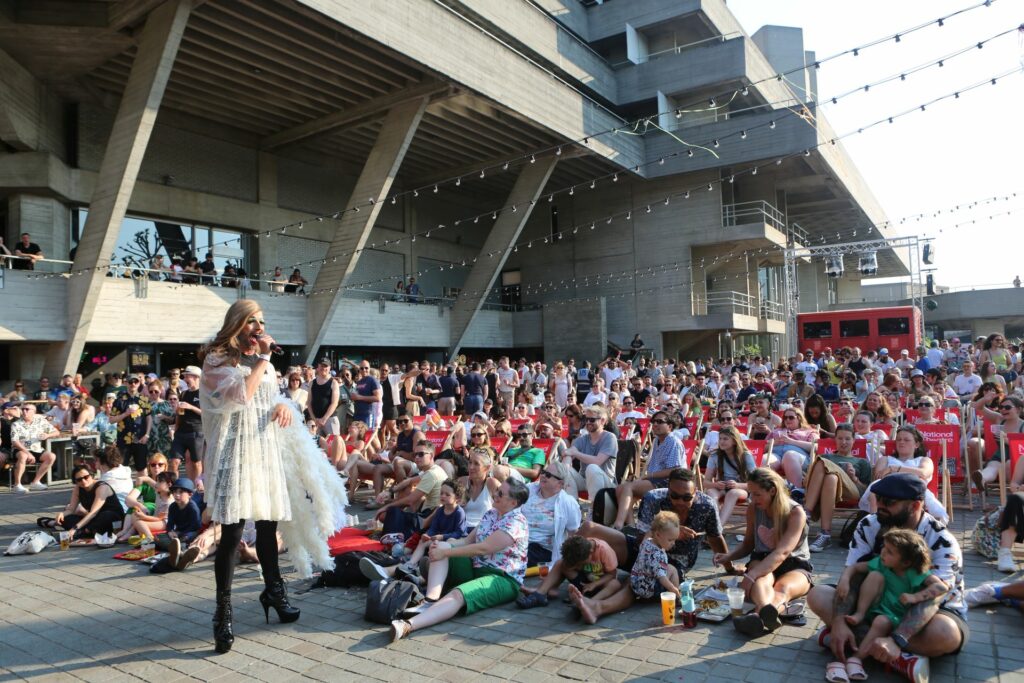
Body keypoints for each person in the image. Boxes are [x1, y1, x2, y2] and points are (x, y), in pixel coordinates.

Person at [199, 299, 347, 653]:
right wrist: (264, 358)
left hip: (264, 451)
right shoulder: (215, 360)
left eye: (262, 322)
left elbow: (271, 398)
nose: (259, 329)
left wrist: (284, 405)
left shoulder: (262, 364)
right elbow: (240, 395)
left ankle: (274, 590)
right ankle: (223, 611)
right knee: (232, 533)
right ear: (238, 324)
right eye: (253, 322)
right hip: (234, 455)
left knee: (268, 526)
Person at [808, 473, 967, 683]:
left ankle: (856, 643)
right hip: (876, 604)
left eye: (889, 502)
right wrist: (838, 621)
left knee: (946, 634)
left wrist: (897, 640)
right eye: (878, 499)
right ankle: (897, 659)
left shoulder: (942, 541)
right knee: (817, 595)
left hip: (929, 611)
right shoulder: (868, 524)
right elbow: (854, 575)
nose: (880, 506)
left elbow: (933, 598)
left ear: (915, 506)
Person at [387, 479, 530, 643]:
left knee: (458, 594)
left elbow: (483, 548)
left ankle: (407, 626)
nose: (495, 494)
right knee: (440, 546)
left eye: (500, 493)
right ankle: (430, 600)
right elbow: (467, 541)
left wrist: (446, 552)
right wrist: (438, 544)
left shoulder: (516, 522)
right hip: (476, 567)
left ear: (513, 502)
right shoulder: (491, 514)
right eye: (497, 490)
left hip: (502, 578)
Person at [831, 529, 949, 682]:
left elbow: (942, 588)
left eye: (890, 552)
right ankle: (859, 614)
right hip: (875, 608)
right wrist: (845, 580)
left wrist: (916, 597)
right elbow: (855, 567)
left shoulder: (914, 573)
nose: (883, 553)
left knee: (881, 621)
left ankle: (856, 658)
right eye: (884, 548)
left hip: (894, 618)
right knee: (874, 575)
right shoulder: (882, 564)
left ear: (906, 562)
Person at [712, 468, 812, 637]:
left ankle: (757, 616)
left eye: (757, 494)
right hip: (762, 558)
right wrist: (729, 556)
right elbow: (748, 544)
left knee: (783, 589)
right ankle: (765, 616)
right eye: (750, 493)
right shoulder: (753, 509)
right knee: (762, 581)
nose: (752, 498)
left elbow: (783, 551)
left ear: (772, 490)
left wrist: (750, 576)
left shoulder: (795, 512)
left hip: (794, 563)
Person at [804, 423, 872, 553]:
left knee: (822, 462)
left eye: (847, 439)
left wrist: (854, 478)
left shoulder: (861, 462)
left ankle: (806, 513)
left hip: (851, 491)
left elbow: (865, 492)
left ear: (854, 440)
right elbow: (808, 480)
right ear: (835, 439)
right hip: (828, 489)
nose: (843, 442)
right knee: (831, 477)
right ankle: (825, 534)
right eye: (840, 438)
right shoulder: (826, 456)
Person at [610, 411, 685, 529]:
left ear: (670, 426)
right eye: (653, 422)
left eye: (660, 422)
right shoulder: (657, 441)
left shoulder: (672, 441)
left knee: (628, 487)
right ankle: (631, 527)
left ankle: (618, 525)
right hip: (656, 480)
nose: (655, 424)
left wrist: (648, 476)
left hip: (670, 482)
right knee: (621, 489)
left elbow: (674, 469)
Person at [516, 534, 620, 609]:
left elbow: (612, 574)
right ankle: (541, 593)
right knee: (560, 563)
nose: (579, 566)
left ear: (591, 552)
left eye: (581, 564)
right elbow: (567, 566)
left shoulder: (604, 550)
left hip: (600, 585)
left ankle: (590, 603)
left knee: (615, 584)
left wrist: (594, 584)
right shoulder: (577, 548)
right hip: (584, 584)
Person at [518, 460, 581, 566]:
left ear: (560, 483)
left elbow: (573, 533)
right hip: (517, 541)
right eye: (543, 472)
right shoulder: (528, 490)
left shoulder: (568, 502)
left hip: (542, 549)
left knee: (512, 557)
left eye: (548, 475)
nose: (543, 476)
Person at [705, 425, 758, 525]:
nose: (721, 441)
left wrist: (737, 485)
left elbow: (755, 483)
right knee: (711, 492)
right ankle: (715, 525)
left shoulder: (745, 456)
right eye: (720, 438)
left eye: (725, 439)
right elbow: (706, 482)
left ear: (734, 441)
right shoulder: (714, 456)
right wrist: (716, 485)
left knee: (732, 493)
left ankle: (718, 527)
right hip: (721, 488)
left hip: (741, 489)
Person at [564, 405, 618, 500]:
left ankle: (593, 509)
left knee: (592, 468)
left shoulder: (610, 437)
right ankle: (572, 507)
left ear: (602, 421)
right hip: (584, 480)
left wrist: (575, 453)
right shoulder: (582, 439)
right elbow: (568, 453)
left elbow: (597, 461)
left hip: (605, 482)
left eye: (592, 420)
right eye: (586, 419)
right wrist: (566, 466)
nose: (588, 422)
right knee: (563, 469)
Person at [56, 465, 125, 537]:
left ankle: (86, 532)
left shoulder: (102, 487)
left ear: (91, 475)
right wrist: (62, 514)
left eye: (86, 477)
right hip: (94, 518)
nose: (83, 481)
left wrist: (75, 528)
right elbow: (71, 509)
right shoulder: (78, 489)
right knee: (64, 519)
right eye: (79, 480)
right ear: (75, 481)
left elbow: (93, 512)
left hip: (112, 518)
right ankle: (88, 531)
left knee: (105, 515)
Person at [10, 402, 59, 492]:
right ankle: (17, 485)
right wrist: (27, 453)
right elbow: (14, 441)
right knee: (23, 456)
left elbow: (56, 432)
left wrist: (47, 435)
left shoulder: (41, 422)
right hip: (20, 449)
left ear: (34, 412)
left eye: (27, 409)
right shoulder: (16, 424)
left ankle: (35, 482)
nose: (24, 411)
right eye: (23, 409)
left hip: (36, 449)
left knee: (51, 456)